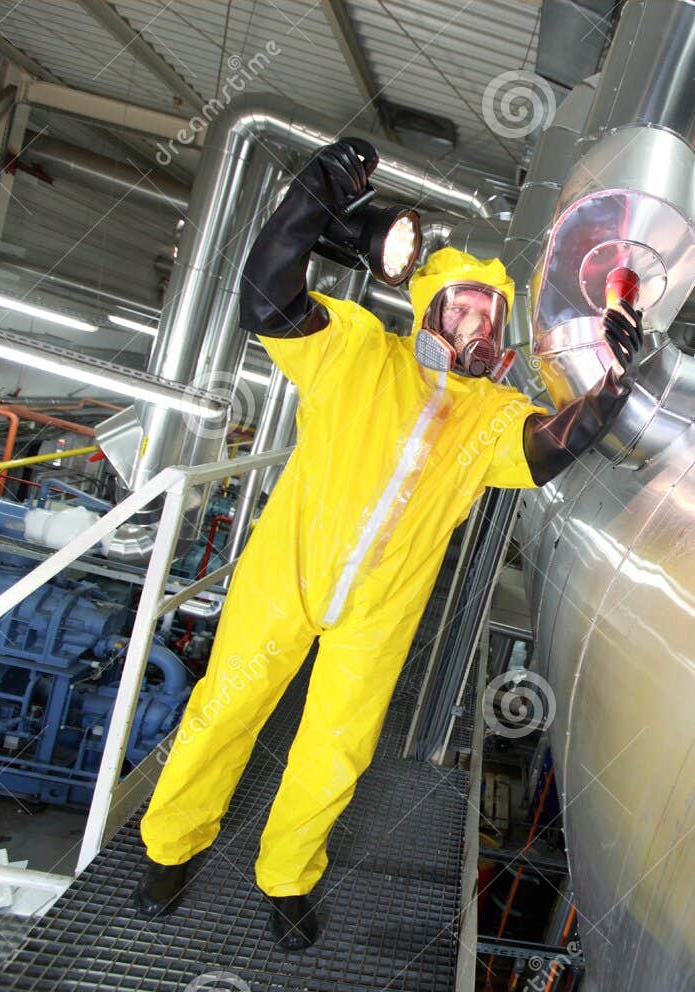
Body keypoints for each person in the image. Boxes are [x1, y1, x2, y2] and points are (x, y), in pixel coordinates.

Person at [133, 139, 643, 949]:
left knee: (336, 747)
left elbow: (551, 446)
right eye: (462, 307)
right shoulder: (360, 350)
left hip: (381, 608)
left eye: (489, 313)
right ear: (431, 310)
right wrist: (312, 192)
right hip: (285, 574)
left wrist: (610, 385)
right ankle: (170, 845)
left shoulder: (491, 417)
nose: (476, 323)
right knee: (224, 708)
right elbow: (267, 299)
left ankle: (288, 875)